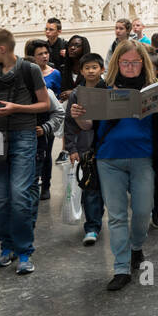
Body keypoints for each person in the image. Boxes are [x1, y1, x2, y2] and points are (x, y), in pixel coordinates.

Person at [71, 41, 158, 291]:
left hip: (143, 157)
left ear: (143, 64)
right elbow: (88, 126)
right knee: (117, 216)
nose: (130, 67)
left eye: (135, 62)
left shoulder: (153, 91)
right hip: (109, 160)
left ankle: (136, 247)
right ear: (117, 63)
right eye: (125, 62)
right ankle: (120, 268)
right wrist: (79, 115)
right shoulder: (102, 89)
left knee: (143, 211)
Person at [0, 28, 50, 274]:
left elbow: (44, 104)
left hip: (23, 134)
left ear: (2, 49)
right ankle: (6, 247)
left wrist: (15, 108)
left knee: (20, 195)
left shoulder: (29, 70)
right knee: (1, 199)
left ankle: (24, 251)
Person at [63, 52, 107, 245]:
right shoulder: (76, 94)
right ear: (81, 70)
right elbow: (69, 123)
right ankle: (91, 227)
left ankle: (98, 216)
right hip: (85, 148)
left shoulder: (108, 90)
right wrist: (71, 148)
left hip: (107, 147)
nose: (90, 71)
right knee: (90, 187)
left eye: (94, 67)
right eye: (87, 68)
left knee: (105, 188)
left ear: (102, 69)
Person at [26, 39, 62, 201]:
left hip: (46, 121)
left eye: (46, 53)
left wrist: (47, 126)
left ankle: (45, 185)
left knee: (45, 154)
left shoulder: (54, 74)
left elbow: (57, 101)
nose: (44, 56)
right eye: (40, 54)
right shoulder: (26, 72)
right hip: (27, 125)